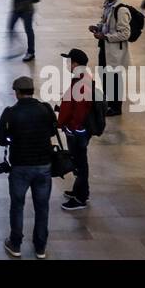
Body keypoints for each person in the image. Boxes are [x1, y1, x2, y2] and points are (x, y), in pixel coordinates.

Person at [0, 74, 57, 258]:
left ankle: (15, 244)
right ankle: (40, 247)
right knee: (42, 207)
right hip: (43, 166)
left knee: (17, 206)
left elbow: (0, 138)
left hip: (20, 166)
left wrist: (12, 138)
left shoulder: (10, 113)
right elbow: (53, 129)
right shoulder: (45, 109)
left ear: (17, 93)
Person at [57, 48, 96, 211]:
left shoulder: (82, 82)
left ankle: (80, 198)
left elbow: (80, 110)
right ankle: (79, 191)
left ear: (76, 63)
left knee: (80, 164)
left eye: (69, 61)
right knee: (78, 162)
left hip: (77, 132)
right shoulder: (81, 77)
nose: (67, 64)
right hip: (76, 130)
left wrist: (71, 127)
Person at [90, 0, 131, 116]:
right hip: (105, 47)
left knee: (114, 79)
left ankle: (116, 107)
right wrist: (98, 27)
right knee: (104, 76)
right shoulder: (108, 6)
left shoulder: (121, 10)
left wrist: (106, 36)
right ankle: (109, 103)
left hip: (114, 51)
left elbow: (125, 34)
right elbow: (106, 23)